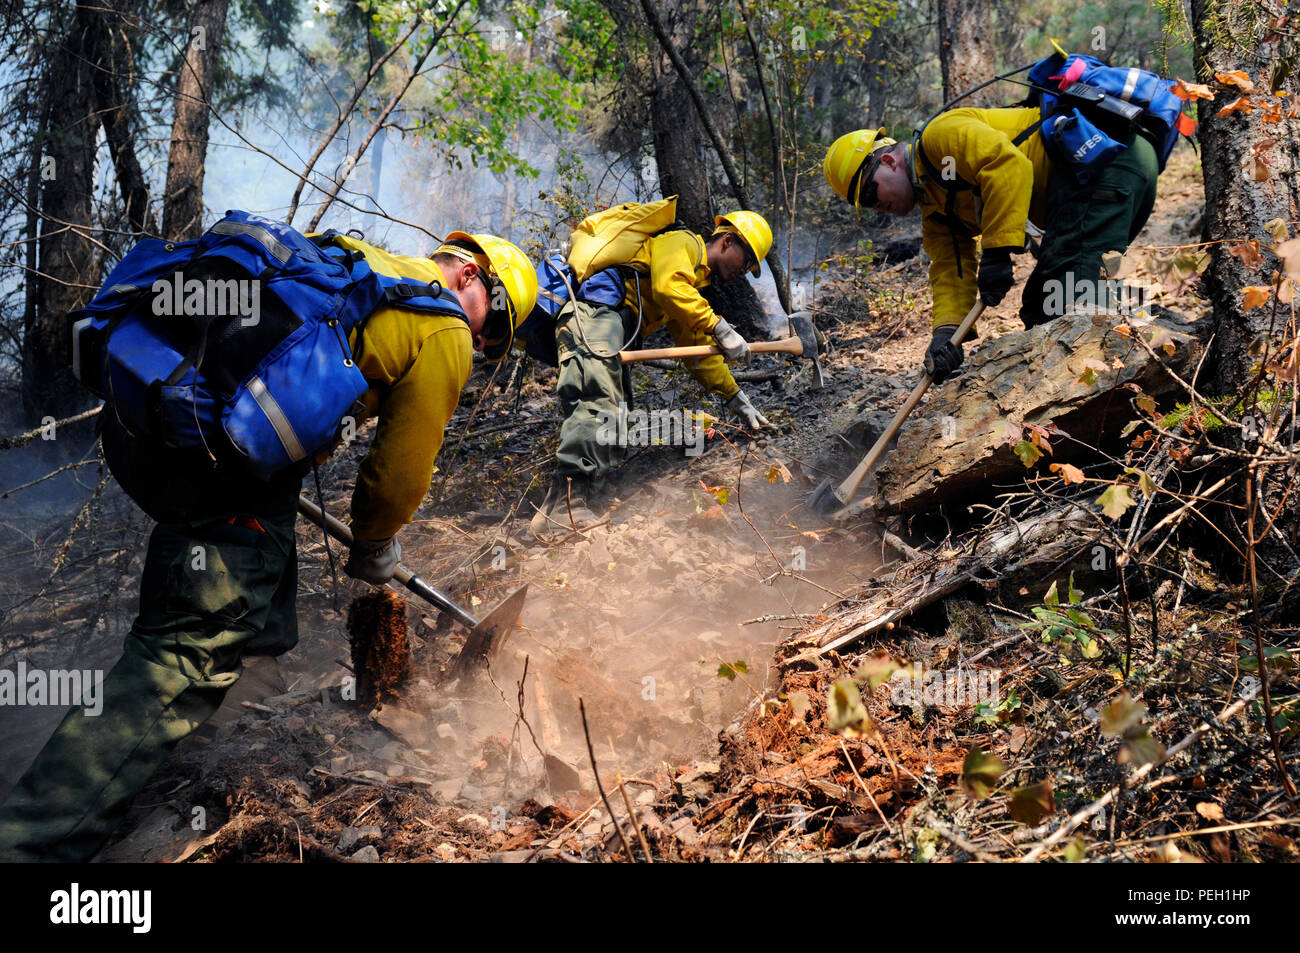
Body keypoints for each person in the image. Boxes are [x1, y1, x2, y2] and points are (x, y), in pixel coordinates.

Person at [0, 230, 537, 862]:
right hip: (211, 457)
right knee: (184, 652)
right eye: (494, 325)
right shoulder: (443, 327)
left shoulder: (353, 258)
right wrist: (374, 545)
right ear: (472, 277)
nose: (483, 342)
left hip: (151, 417)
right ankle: (31, 843)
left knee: (257, 562)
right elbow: (398, 472)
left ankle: (223, 738)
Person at [823, 102, 1159, 382]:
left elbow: (1008, 165)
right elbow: (950, 271)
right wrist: (946, 335)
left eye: (870, 191)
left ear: (887, 161)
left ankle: (1131, 377)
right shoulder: (936, 210)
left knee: (1062, 302)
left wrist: (997, 253)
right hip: (1096, 188)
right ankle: (1139, 359)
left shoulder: (940, 137)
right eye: (865, 204)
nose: (876, 205)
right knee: (1051, 301)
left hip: (1108, 164)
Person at [528, 210, 774, 541]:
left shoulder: (691, 282)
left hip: (610, 322)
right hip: (595, 315)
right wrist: (719, 325)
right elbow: (667, 286)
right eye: (745, 263)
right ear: (728, 241)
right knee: (597, 404)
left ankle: (558, 515)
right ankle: (567, 510)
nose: (742, 273)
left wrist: (735, 396)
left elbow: (694, 347)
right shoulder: (683, 243)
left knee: (614, 421)